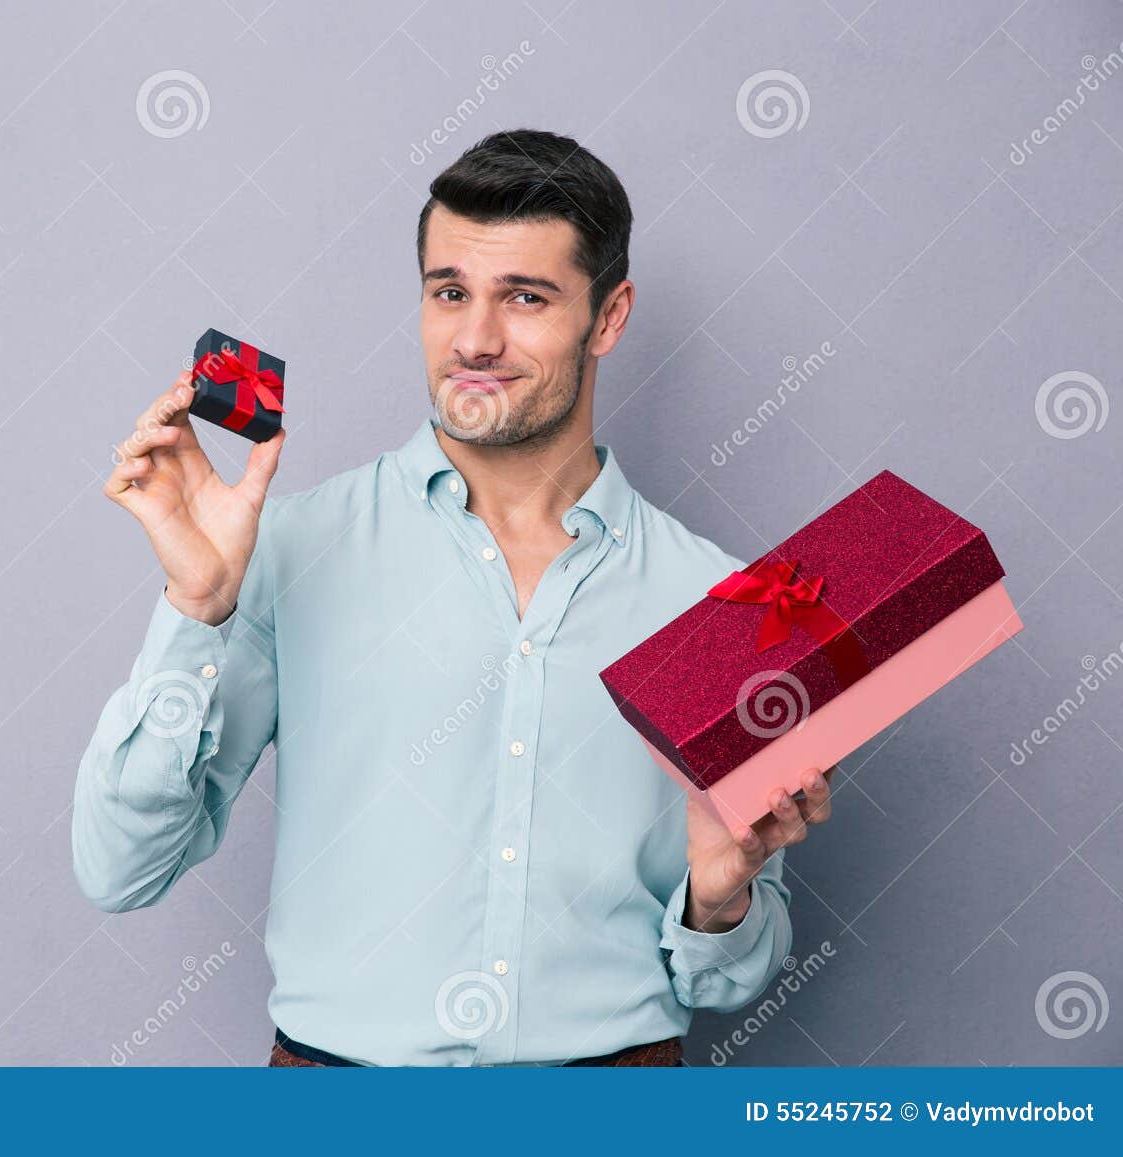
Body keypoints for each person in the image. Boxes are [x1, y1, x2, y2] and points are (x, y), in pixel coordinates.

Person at [74, 127, 836, 1067]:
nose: (475, 339)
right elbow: (119, 870)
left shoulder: (722, 602)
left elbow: (728, 981)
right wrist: (195, 610)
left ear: (609, 316)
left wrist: (719, 905)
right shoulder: (292, 550)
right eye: (449, 293)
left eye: (525, 296)